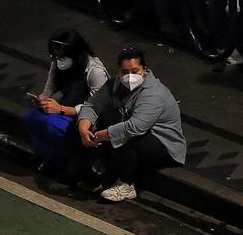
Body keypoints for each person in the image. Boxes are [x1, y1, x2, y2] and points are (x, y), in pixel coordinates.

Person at [76, 46, 186, 202]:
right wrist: (83, 129)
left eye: (135, 71)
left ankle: (126, 184)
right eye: (125, 72)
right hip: (132, 136)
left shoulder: (154, 94)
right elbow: (92, 106)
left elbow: (134, 127)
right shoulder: (113, 85)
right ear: (119, 71)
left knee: (124, 137)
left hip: (162, 144)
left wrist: (101, 135)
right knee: (101, 123)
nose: (130, 77)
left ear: (144, 70)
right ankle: (102, 176)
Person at [22, 29, 109, 176]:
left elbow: (97, 106)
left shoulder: (95, 71)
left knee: (51, 126)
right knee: (30, 118)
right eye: (55, 56)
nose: (58, 60)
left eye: (62, 56)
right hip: (65, 108)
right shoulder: (57, 64)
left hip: (87, 119)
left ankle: (68, 157)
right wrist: (41, 100)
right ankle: (51, 156)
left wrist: (61, 109)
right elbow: (49, 88)